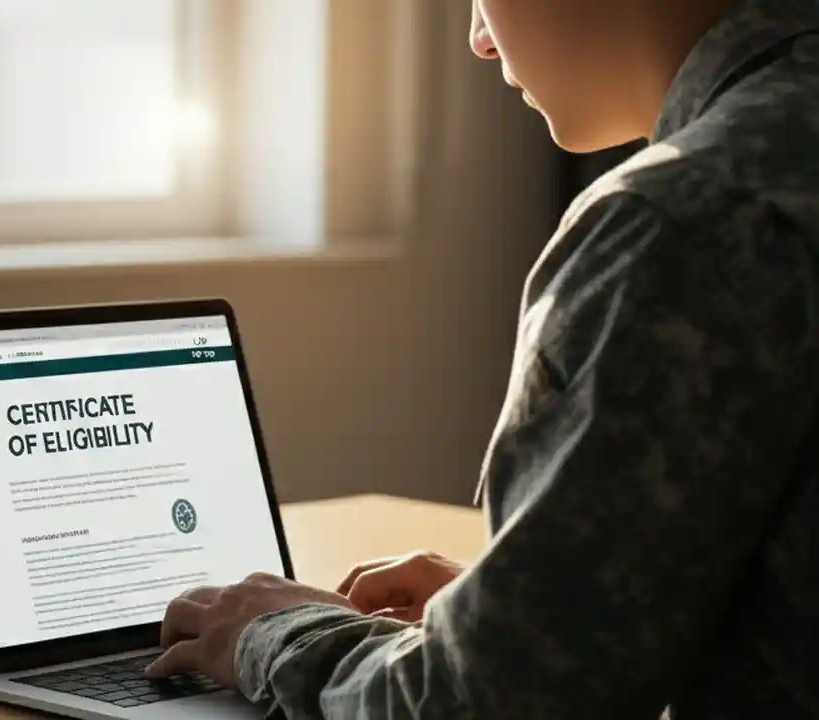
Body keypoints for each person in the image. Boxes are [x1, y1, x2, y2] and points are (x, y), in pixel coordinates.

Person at [144, 0, 819, 716]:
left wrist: (274, 636)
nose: (478, 40)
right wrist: (524, 608)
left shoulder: (678, 224)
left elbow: (488, 706)